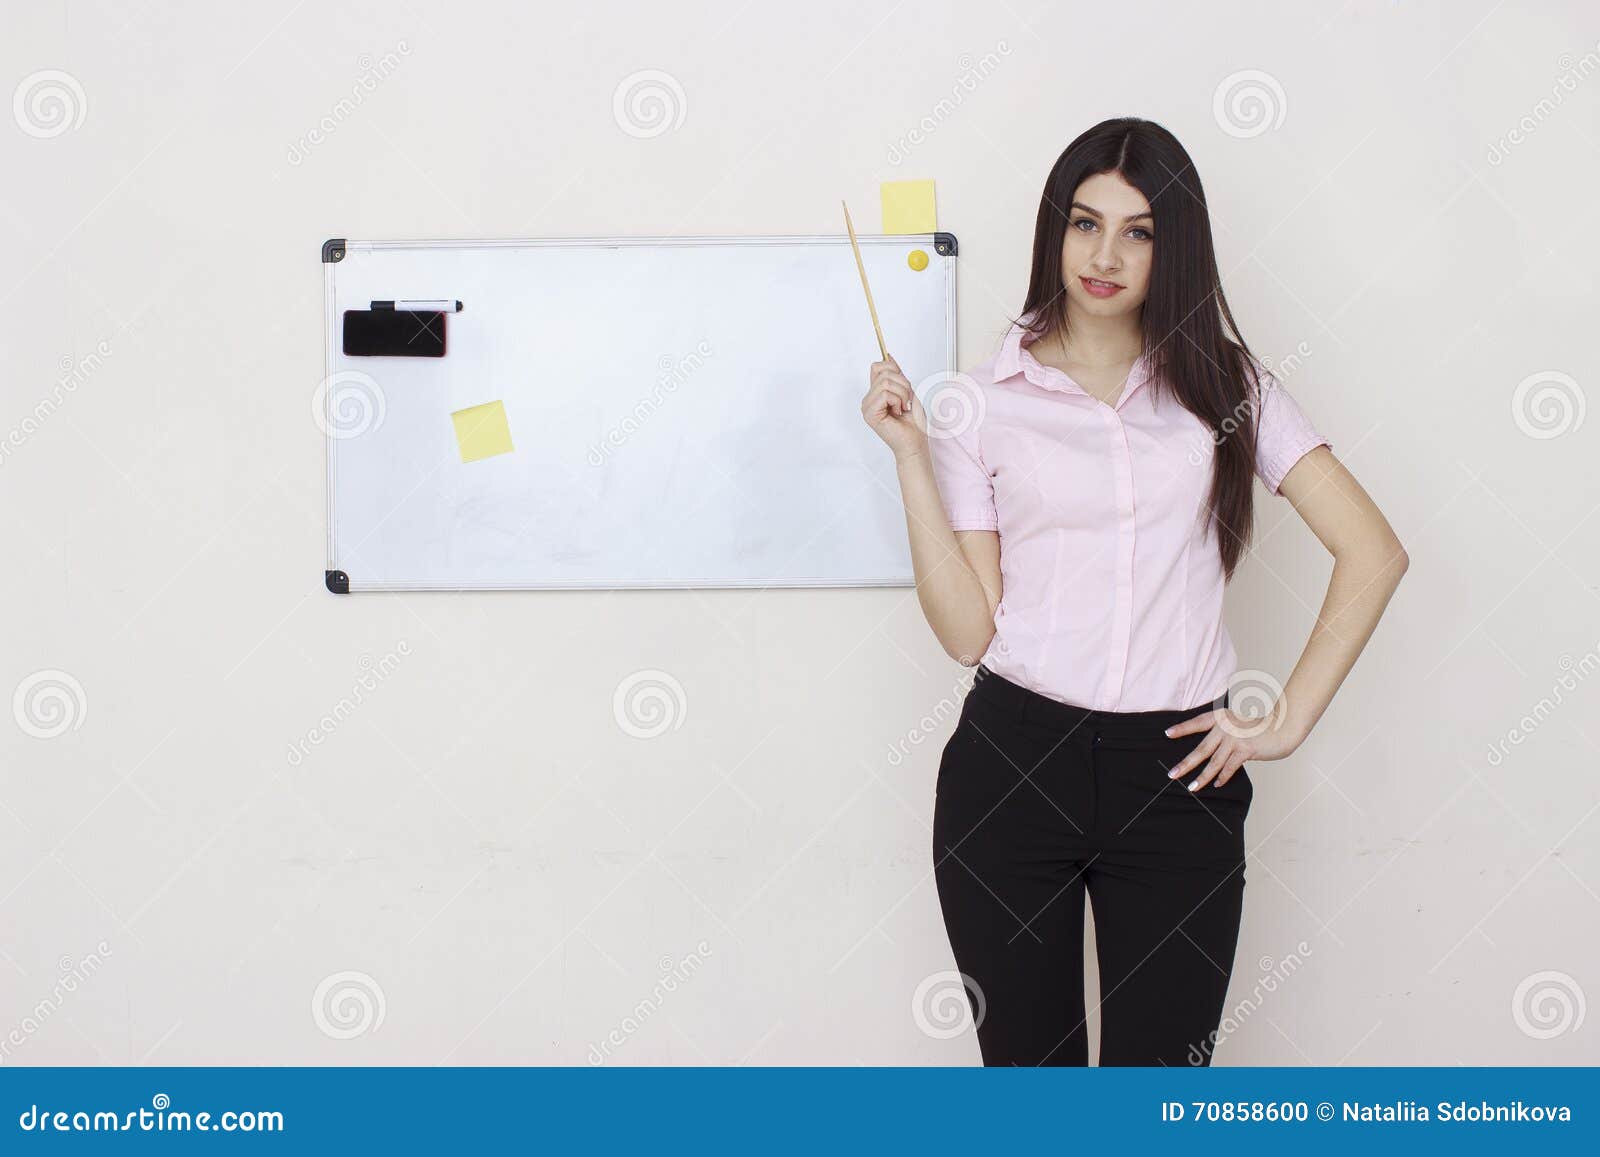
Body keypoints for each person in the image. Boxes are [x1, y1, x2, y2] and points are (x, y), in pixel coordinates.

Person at [860, 117, 1408, 1066]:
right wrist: (912, 459)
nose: (1105, 255)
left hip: (1177, 775)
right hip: (1011, 765)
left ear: (1175, 249)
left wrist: (1285, 718)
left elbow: (1373, 551)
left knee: (1161, 1095)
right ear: (1055, 233)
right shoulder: (983, 402)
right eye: (1084, 223)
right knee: (1036, 1092)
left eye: (1139, 231)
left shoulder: (1229, 387)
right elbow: (965, 632)